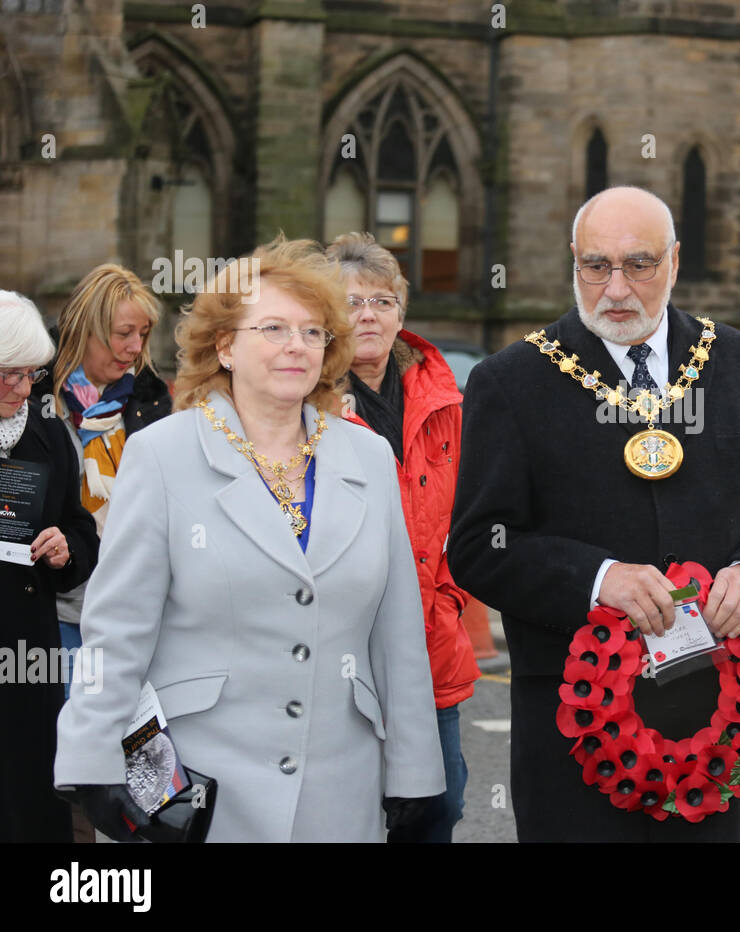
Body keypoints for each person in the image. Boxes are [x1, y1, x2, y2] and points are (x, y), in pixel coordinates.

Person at [448, 186, 740, 841]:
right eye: (596, 265)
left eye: (638, 265)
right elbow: (479, 545)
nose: (616, 288)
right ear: (573, 261)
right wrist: (597, 578)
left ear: (674, 261)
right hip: (574, 729)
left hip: (711, 718)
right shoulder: (511, 380)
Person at [55, 236, 444, 842]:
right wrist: (92, 761)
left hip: (340, 793)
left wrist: (415, 771)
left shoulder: (367, 457)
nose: (296, 346)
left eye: (312, 332)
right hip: (200, 794)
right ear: (226, 345)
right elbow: (117, 629)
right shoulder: (161, 454)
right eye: (273, 328)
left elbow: (396, 632)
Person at [325, 231, 479, 843]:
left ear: (401, 313)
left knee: (438, 803)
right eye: (352, 302)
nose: (369, 315)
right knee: (352, 807)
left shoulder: (442, 400)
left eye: (383, 301)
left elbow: (469, 518)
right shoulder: (307, 401)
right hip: (345, 643)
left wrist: (449, 599)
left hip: (427, 642)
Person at [33, 266, 171, 700]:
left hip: (134, 613)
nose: (135, 348)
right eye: (123, 333)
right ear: (84, 329)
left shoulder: (150, 399)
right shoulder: (35, 400)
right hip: (59, 612)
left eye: (143, 335)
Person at [0, 291, 99, 842]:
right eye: (8, 374)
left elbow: (80, 526)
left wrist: (68, 548)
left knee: (29, 797)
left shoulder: (49, 434)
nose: (22, 388)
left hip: (26, 652)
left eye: (30, 375)